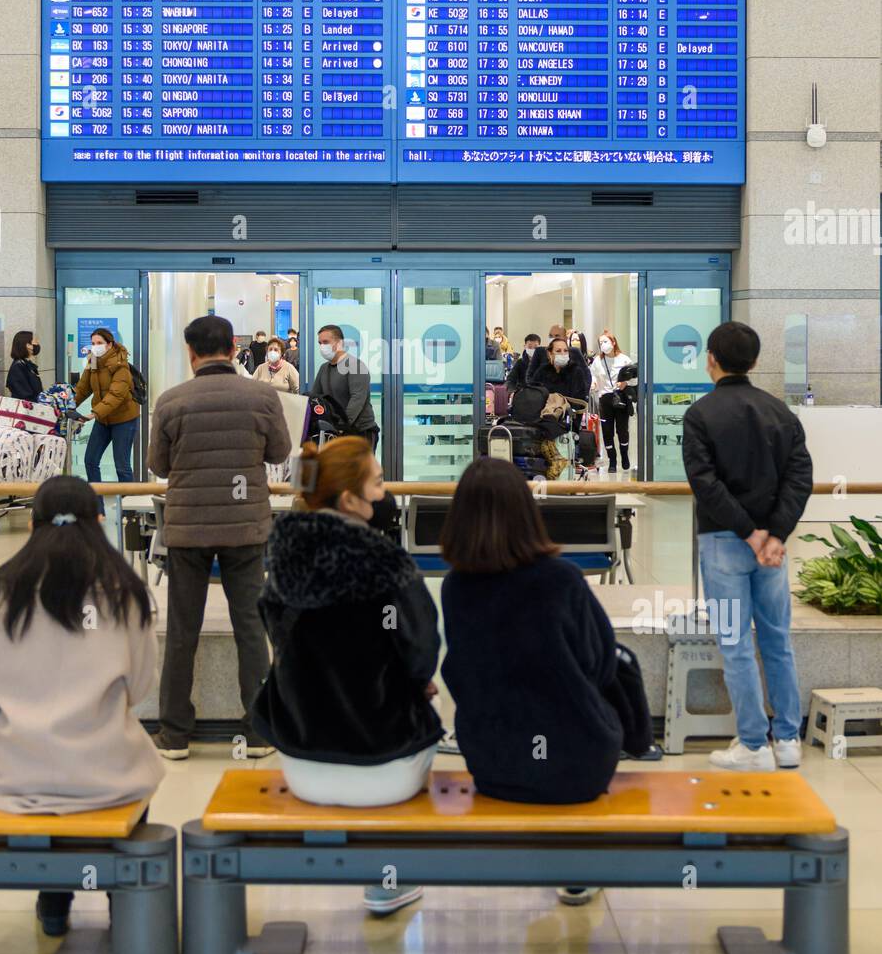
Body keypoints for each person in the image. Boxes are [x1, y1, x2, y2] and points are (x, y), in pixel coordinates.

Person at [0, 475, 163, 937]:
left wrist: (10, 723)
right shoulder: (125, 594)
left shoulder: (3, 593)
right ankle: (118, 895)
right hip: (111, 775)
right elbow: (142, 683)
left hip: (20, 777)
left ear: (31, 525)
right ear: (99, 521)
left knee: (49, 810)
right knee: (139, 785)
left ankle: (54, 899)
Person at [251, 436, 442, 915]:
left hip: (300, 760)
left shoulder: (281, 560)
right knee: (423, 702)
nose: (385, 495)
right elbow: (421, 650)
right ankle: (385, 880)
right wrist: (416, 681)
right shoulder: (387, 563)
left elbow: (277, 634)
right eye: (377, 484)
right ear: (350, 500)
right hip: (384, 768)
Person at [440, 457, 623, 905]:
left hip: (493, 762)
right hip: (580, 761)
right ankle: (575, 867)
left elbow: (460, 674)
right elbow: (602, 662)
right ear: (527, 511)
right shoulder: (561, 578)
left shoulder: (456, 587)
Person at [147, 315, 290, 759]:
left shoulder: (171, 401)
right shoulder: (262, 395)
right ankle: (260, 730)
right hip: (245, 526)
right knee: (250, 626)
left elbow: (159, 465)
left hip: (187, 527)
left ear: (191, 354)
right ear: (233, 349)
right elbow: (280, 453)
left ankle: (173, 735)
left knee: (182, 629)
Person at [682, 321, 813, 772]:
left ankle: (754, 744)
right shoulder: (782, 413)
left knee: (735, 644)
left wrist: (747, 532)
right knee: (778, 641)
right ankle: (789, 740)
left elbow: (705, 484)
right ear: (755, 362)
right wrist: (774, 534)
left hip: (723, 543)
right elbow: (800, 479)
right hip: (771, 551)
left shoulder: (700, 415)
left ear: (711, 359)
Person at [73, 328, 139, 513]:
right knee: (90, 460)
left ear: (109, 344)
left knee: (122, 466)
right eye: (93, 344)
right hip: (104, 420)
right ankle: (97, 508)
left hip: (124, 419)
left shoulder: (121, 365)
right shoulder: (93, 361)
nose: (96, 347)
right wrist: (68, 404)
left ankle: (129, 512)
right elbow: (83, 388)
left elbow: (116, 395)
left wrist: (93, 414)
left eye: (99, 343)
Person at [310, 324, 378, 450]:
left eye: (326, 342)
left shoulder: (356, 366)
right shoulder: (324, 369)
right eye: (319, 343)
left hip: (360, 432)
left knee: (359, 470)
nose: (322, 346)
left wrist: (341, 426)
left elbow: (357, 399)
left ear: (339, 343)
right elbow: (315, 397)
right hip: (336, 432)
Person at [590, 330, 634, 472]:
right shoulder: (598, 361)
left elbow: (635, 377)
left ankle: (624, 456)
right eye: (601, 342)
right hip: (605, 399)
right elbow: (593, 376)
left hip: (621, 398)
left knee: (622, 430)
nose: (603, 345)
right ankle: (612, 461)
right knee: (607, 431)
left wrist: (626, 383)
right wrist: (594, 383)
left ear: (613, 342)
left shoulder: (625, 359)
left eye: (606, 341)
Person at [526, 329, 592, 402]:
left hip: (570, 409)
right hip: (546, 409)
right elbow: (534, 388)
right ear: (550, 354)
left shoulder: (576, 371)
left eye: (565, 351)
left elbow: (581, 396)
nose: (563, 354)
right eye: (558, 351)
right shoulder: (542, 371)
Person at [5, 330, 42, 401]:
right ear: (28, 345)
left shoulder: (26, 364)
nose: (37, 344)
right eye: (35, 342)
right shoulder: (18, 367)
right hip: (27, 409)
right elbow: (24, 394)